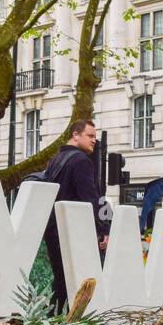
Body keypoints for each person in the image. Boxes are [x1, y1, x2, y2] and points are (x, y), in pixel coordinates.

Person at [41, 119, 110, 313]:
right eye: (90, 136)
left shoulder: (55, 160)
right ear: (75, 135)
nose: (94, 140)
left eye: (95, 137)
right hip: (72, 231)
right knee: (78, 282)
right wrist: (104, 229)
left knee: (62, 281)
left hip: (53, 229)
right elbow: (91, 198)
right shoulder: (80, 161)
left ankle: (51, 324)